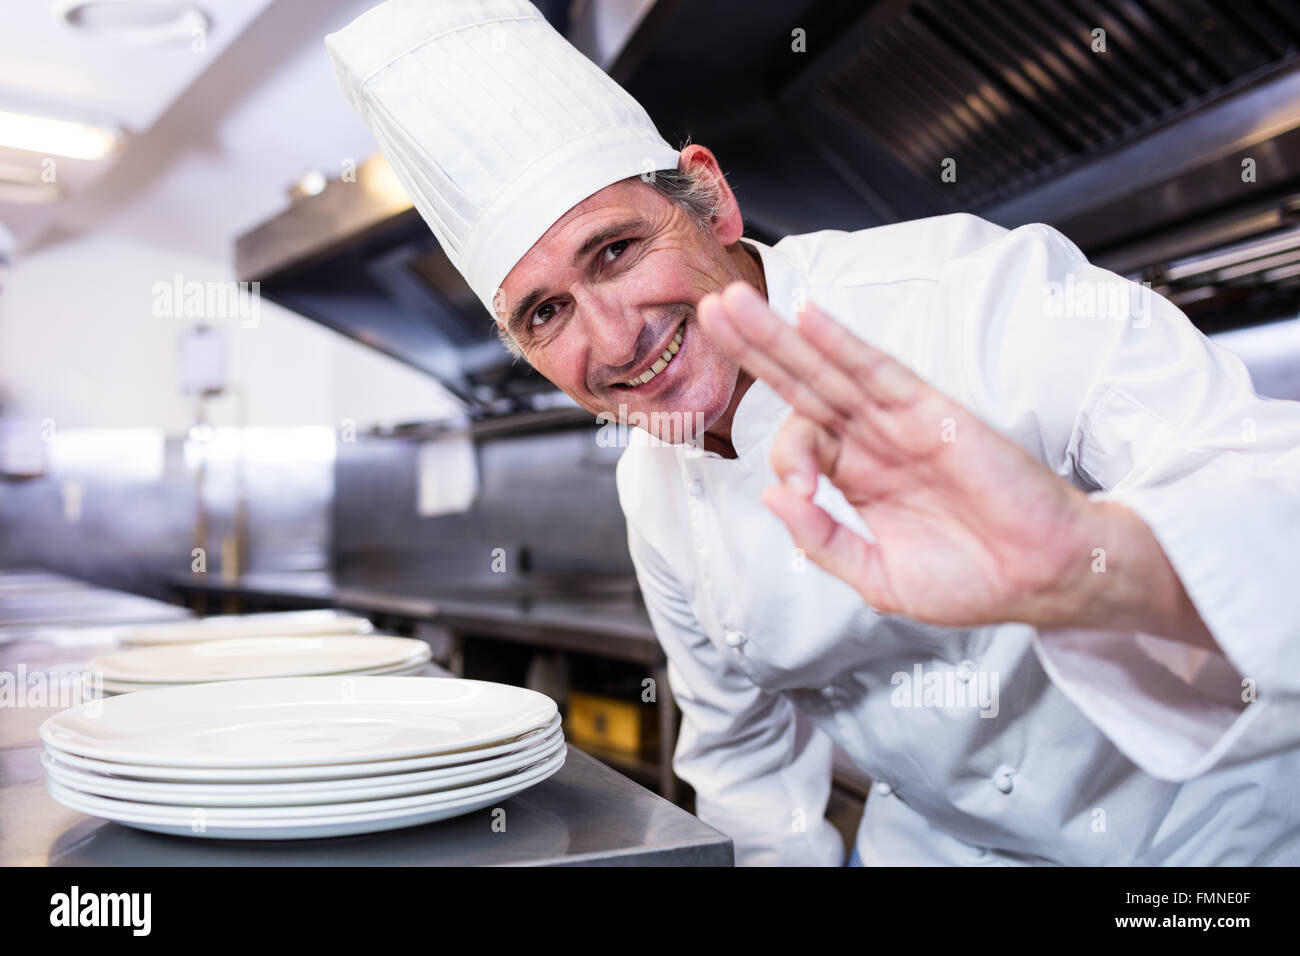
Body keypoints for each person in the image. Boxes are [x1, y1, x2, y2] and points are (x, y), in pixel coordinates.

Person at [328, 0, 1300, 865]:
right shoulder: (653, 484)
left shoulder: (976, 291)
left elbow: (1267, 483)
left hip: (1214, 832)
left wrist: (1091, 557)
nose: (613, 338)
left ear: (708, 198)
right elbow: (743, 755)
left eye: (616, 250)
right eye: (545, 313)